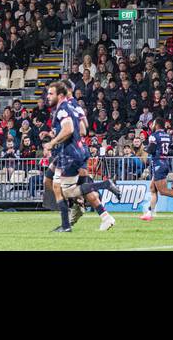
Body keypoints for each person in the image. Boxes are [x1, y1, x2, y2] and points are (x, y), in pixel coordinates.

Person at [43, 81, 115, 232]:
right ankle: (75, 211)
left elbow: (81, 130)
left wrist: (54, 141)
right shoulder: (72, 106)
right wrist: (54, 135)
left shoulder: (67, 106)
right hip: (70, 151)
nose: (48, 96)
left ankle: (74, 216)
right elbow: (81, 126)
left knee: (74, 188)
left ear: (65, 91)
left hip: (71, 151)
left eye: (52, 93)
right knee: (50, 181)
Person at [141, 118, 173, 221]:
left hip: (158, 164)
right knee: (153, 189)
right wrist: (164, 153)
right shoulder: (168, 136)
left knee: (162, 191)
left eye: (153, 123)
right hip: (165, 163)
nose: (152, 125)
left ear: (157, 125)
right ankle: (150, 213)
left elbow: (151, 149)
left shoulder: (153, 136)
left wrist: (144, 148)